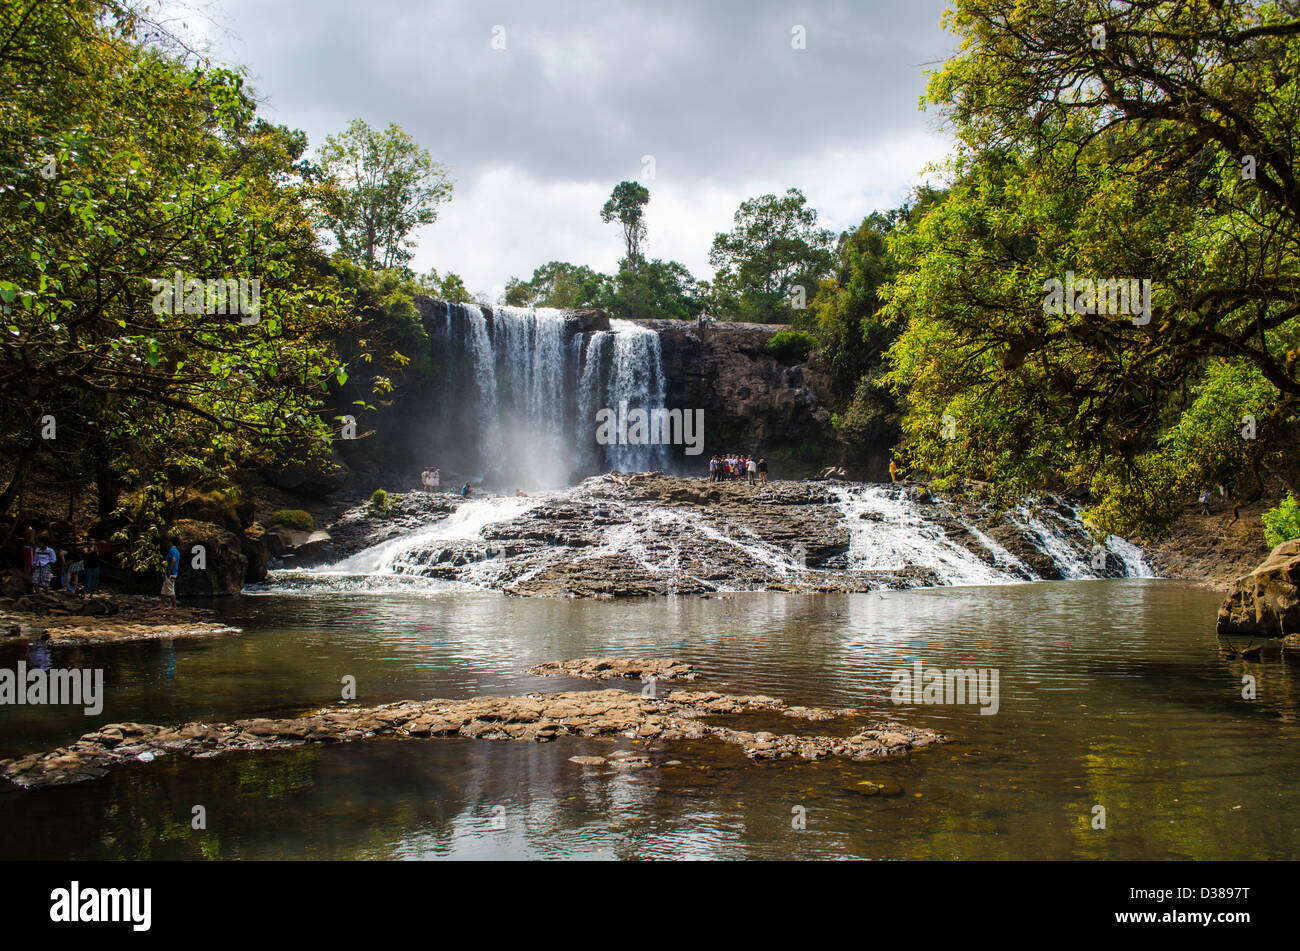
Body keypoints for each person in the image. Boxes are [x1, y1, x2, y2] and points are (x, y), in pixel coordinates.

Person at [162, 536, 180, 609]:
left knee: (170, 589)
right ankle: (162, 604)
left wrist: (169, 571)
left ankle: (174, 606)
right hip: (170, 572)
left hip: (171, 573)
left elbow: (173, 560)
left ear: (171, 542)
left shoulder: (172, 550)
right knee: (164, 589)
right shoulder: (176, 551)